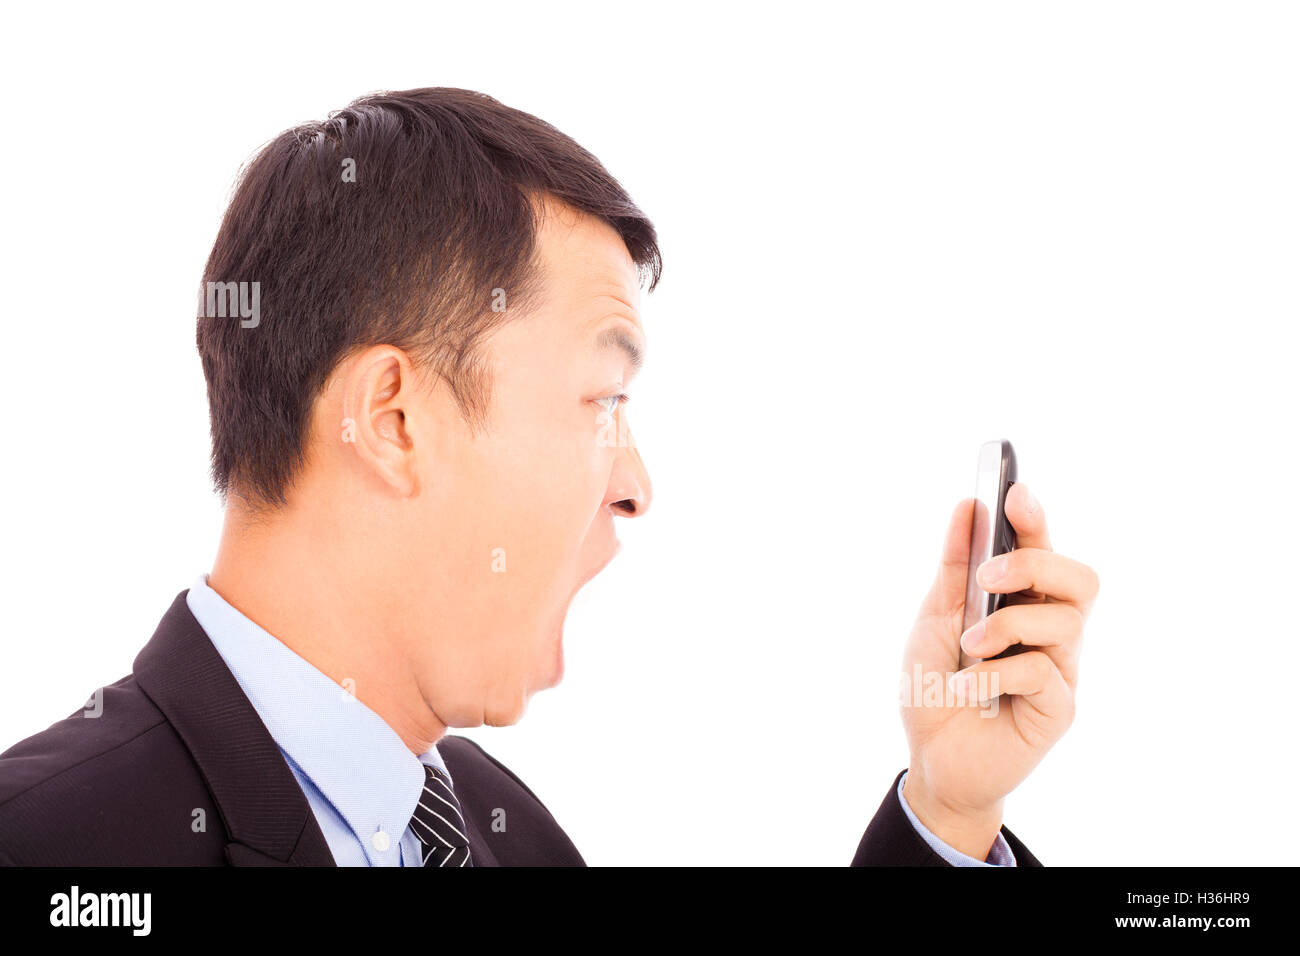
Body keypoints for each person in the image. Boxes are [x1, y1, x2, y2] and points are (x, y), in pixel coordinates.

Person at [0, 88, 1098, 866]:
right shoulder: (47, 842)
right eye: (601, 401)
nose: (636, 484)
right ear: (393, 418)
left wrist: (949, 809)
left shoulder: (497, 828)